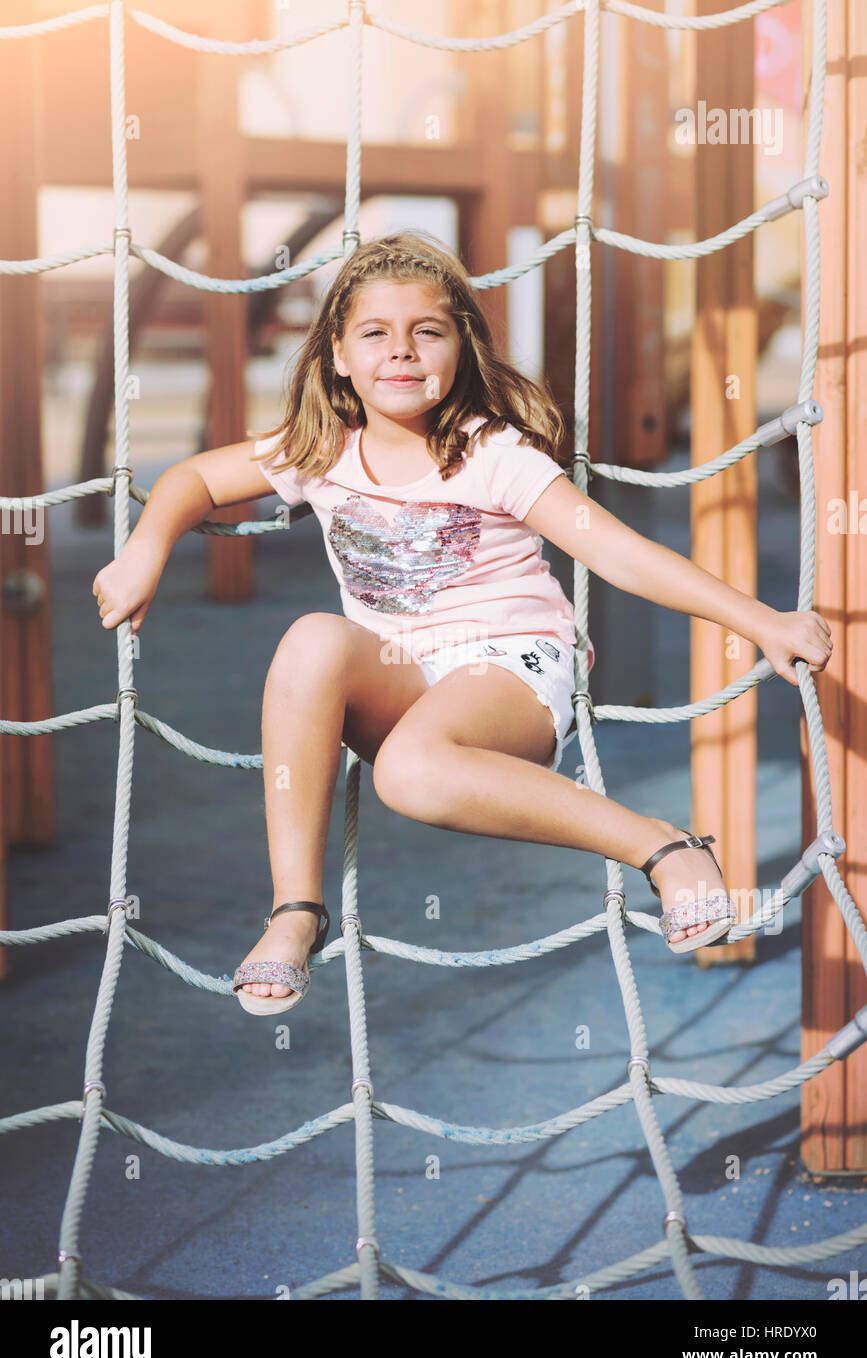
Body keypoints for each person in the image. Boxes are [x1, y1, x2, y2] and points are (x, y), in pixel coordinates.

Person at [92, 230, 833, 1015]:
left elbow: (617, 553)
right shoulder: (322, 448)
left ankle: (662, 848)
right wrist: (145, 552)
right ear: (337, 354)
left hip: (509, 666)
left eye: (427, 332)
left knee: (409, 772)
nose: (401, 353)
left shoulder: (490, 453)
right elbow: (194, 478)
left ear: (460, 349)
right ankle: (295, 910)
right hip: (402, 674)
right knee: (310, 639)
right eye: (375, 334)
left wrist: (758, 621)